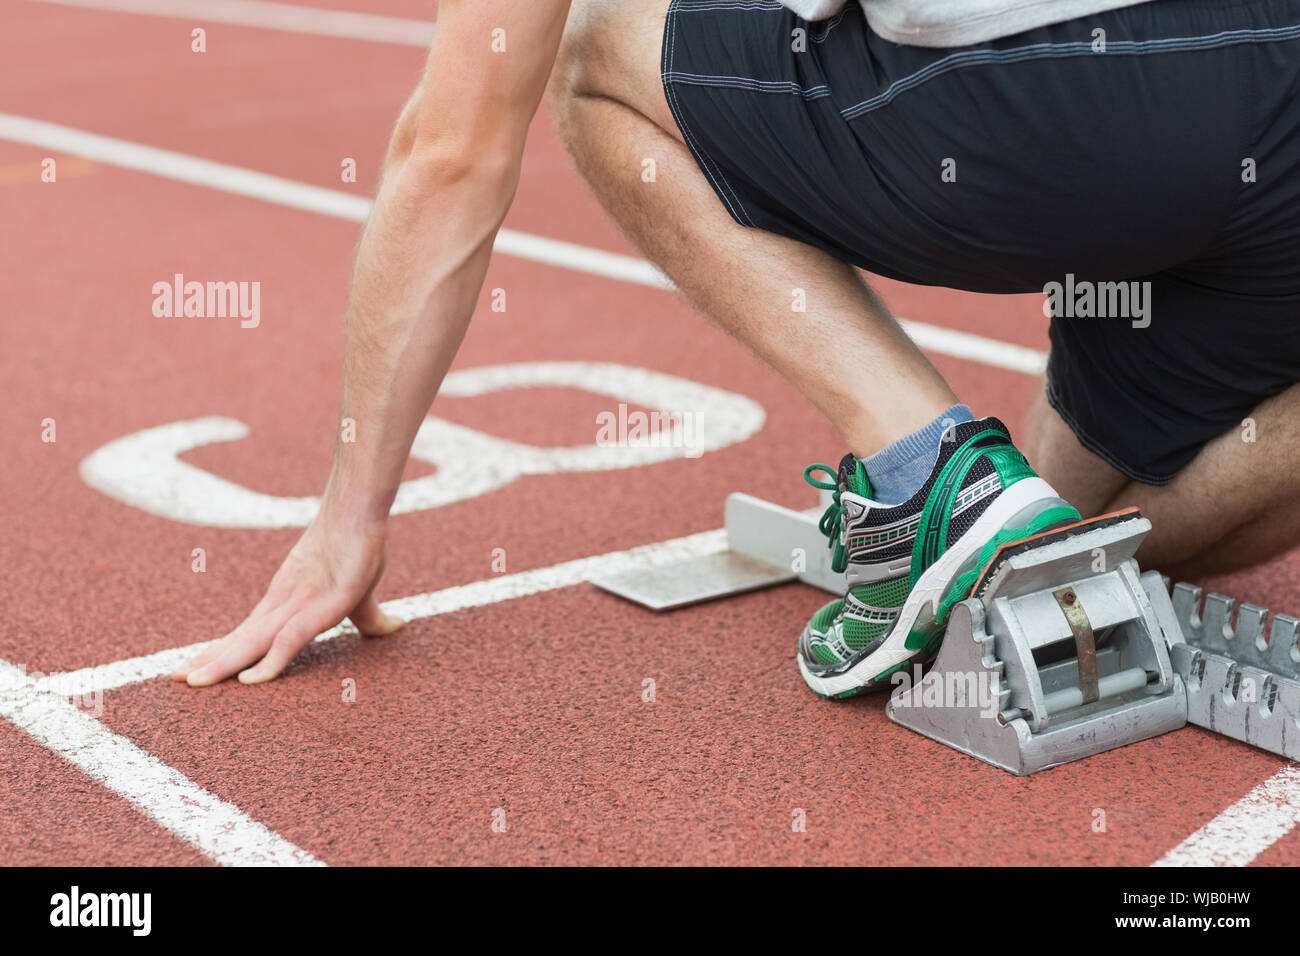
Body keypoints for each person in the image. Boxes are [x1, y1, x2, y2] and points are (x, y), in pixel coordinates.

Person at [173, 0, 1300, 698]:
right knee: (1052, 510)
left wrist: (347, 515)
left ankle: (926, 466)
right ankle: (1009, 531)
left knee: (588, 51)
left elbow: (452, 148)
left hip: (1046, 99)